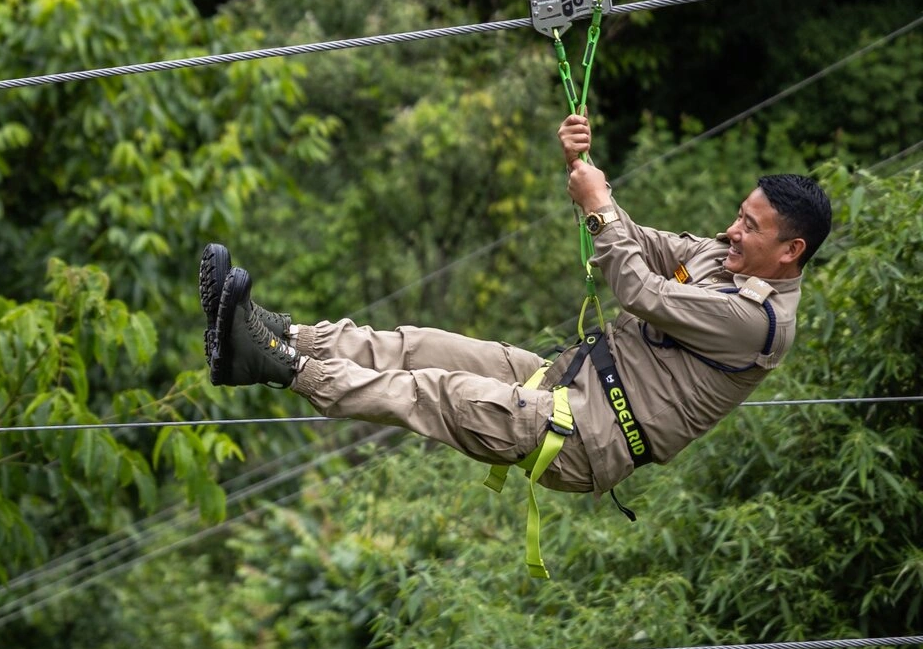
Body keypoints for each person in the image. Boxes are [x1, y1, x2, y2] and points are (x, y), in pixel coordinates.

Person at [199, 114, 832, 498]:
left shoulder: (757, 323)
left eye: (750, 227)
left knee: (435, 391)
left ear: (791, 250)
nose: (731, 231)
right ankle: (274, 333)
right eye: (739, 215)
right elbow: (631, 239)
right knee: (419, 345)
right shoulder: (725, 258)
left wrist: (599, 206)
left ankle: (278, 365)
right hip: (561, 381)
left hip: (585, 435)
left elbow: (639, 289)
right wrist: (584, 173)